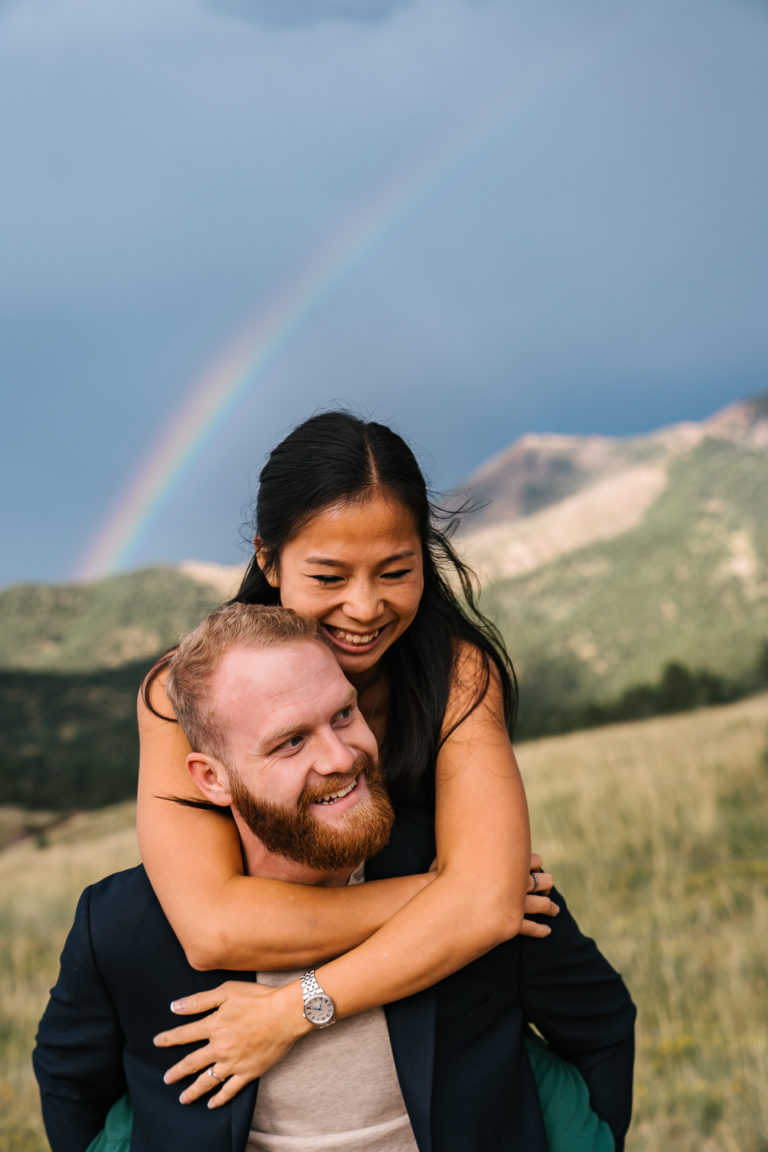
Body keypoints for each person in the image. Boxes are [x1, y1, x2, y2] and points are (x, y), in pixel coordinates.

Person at [135, 412, 633, 1141]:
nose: (365, 608)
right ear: (269, 562)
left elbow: (496, 909)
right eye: (328, 576)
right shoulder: (185, 693)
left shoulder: (457, 672)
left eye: (396, 572)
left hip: (452, 1029)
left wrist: (292, 1011)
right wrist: (453, 890)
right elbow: (213, 927)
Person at [34, 604, 635, 1151]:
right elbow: (71, 1087)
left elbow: (600, 1026)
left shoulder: (475, 866)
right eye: (291, 742)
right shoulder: (122, 925)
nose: (341, 757)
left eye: (343, 714)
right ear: (212, 779)